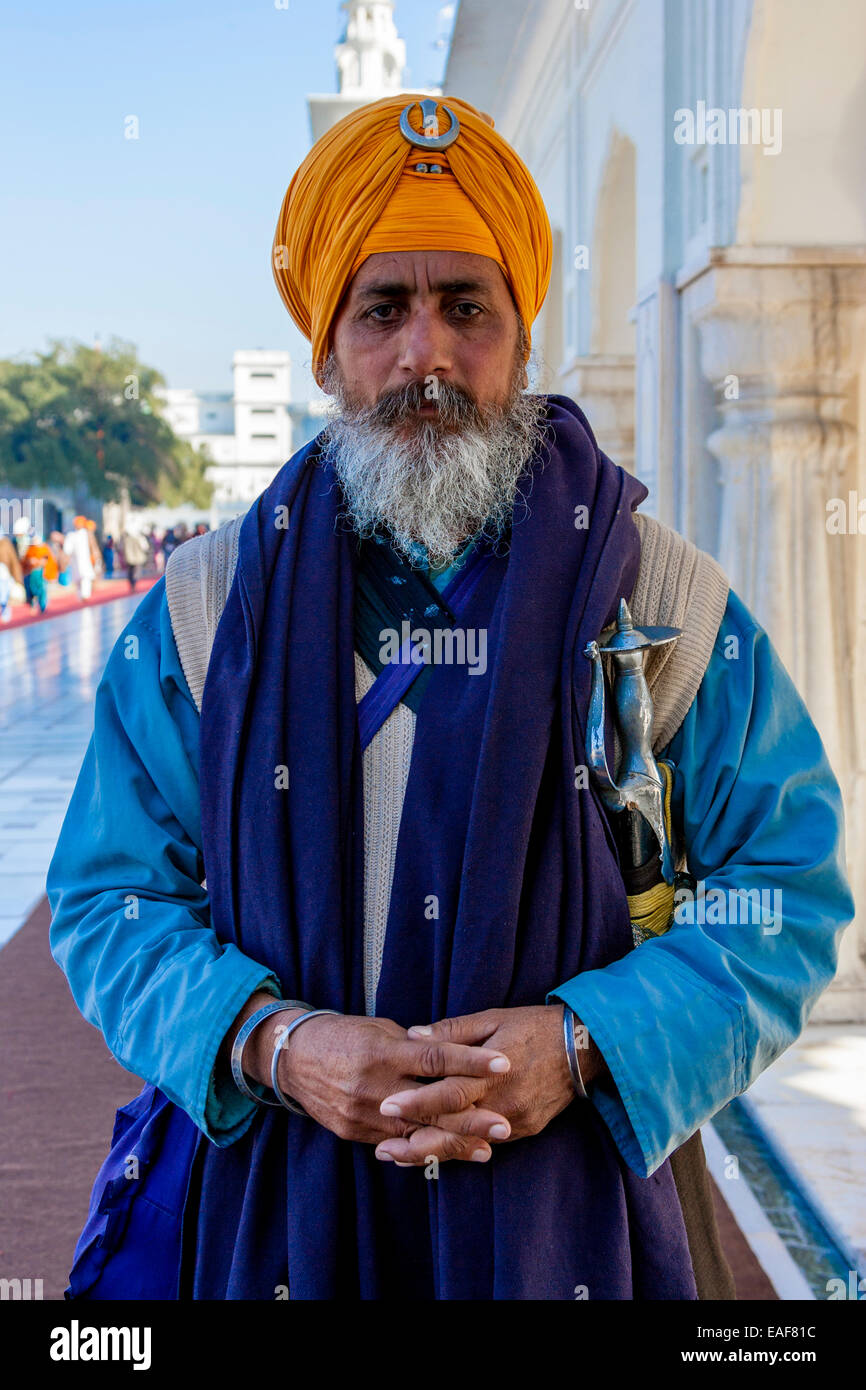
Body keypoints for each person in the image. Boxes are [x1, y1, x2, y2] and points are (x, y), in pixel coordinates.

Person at [47, 94, 853, 1302]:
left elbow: (781, 889)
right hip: (286, 1198)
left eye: (463, 307)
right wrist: (276, 1044)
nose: (424, 356)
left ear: (521, 341)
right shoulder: (204, 611)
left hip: (573, 1212)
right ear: (325, 349)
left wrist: (585, 1044)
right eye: (383, 310)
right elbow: (109, 901)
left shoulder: (658, 596)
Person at [63, 516, 96, 601]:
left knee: (85, 578)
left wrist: (95, 555)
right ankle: (81, 597)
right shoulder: (71, 535)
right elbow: (67, 550)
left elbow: (92, 545)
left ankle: (85, 596)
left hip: (85, 560)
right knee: (78, 580)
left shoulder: (86, 534)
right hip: (75, 561)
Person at [21, 531, 53, 613]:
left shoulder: (44, 548)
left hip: (41, 573)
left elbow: (47, 560)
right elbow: (25, 560)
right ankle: (33, 605)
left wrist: (38, 562)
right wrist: (29, 561)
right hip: (32, 573)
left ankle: (42, 606)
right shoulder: (30, 548)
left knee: (42, 590)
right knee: (32, 589)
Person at [0, 533, 23, 622]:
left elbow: (13, 561)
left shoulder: (6, 543)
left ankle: (5, 610)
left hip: (4, 576)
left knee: (3, 595)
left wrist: (18, 579)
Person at [120, 526, 149, 592]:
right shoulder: (140, 538)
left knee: (130, 571)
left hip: (129, 557)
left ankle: (132, 584)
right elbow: (145, 547)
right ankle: (134, 584)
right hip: (137, 557)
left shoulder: (126, 539)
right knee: (136, 571)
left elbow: (121, 548)